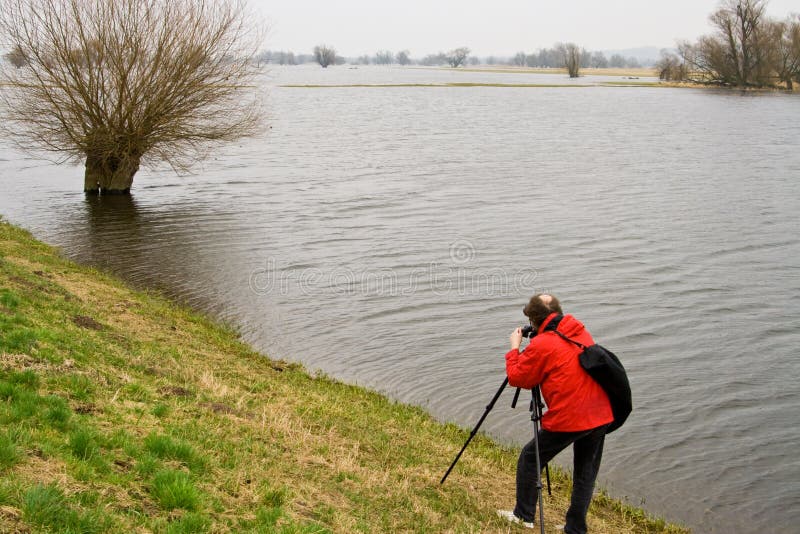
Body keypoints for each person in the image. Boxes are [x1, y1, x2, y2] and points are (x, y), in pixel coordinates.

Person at [496, 294, 613, 533]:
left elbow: (518, 377)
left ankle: (524, 516)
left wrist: (515, 348)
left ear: (534, 320)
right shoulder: (578, 330)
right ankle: (575, 528)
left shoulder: (543, 344)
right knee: (585, 472)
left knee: (530, 458)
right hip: (600, 412)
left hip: (571, 416)